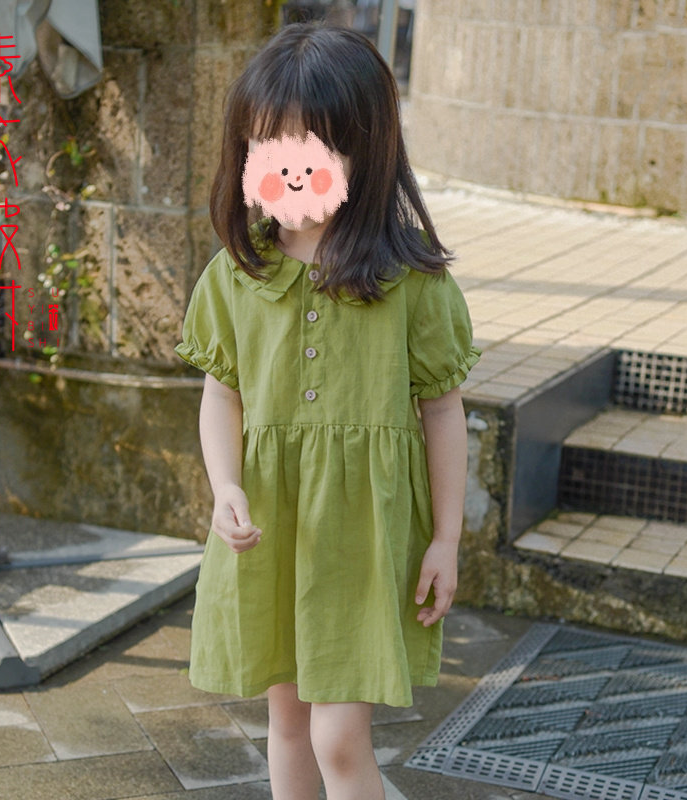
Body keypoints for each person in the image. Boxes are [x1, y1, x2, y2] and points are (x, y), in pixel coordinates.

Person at [174, 22, 481, 800]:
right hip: (273, 528)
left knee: (338, 737)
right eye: (267, 150)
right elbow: (222, 393)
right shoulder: (236, 273)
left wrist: (446, 539)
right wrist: (225, 486)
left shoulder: (412, 281)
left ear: (364, 152)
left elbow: (443, 411)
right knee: (286, 725)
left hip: (361, 539)